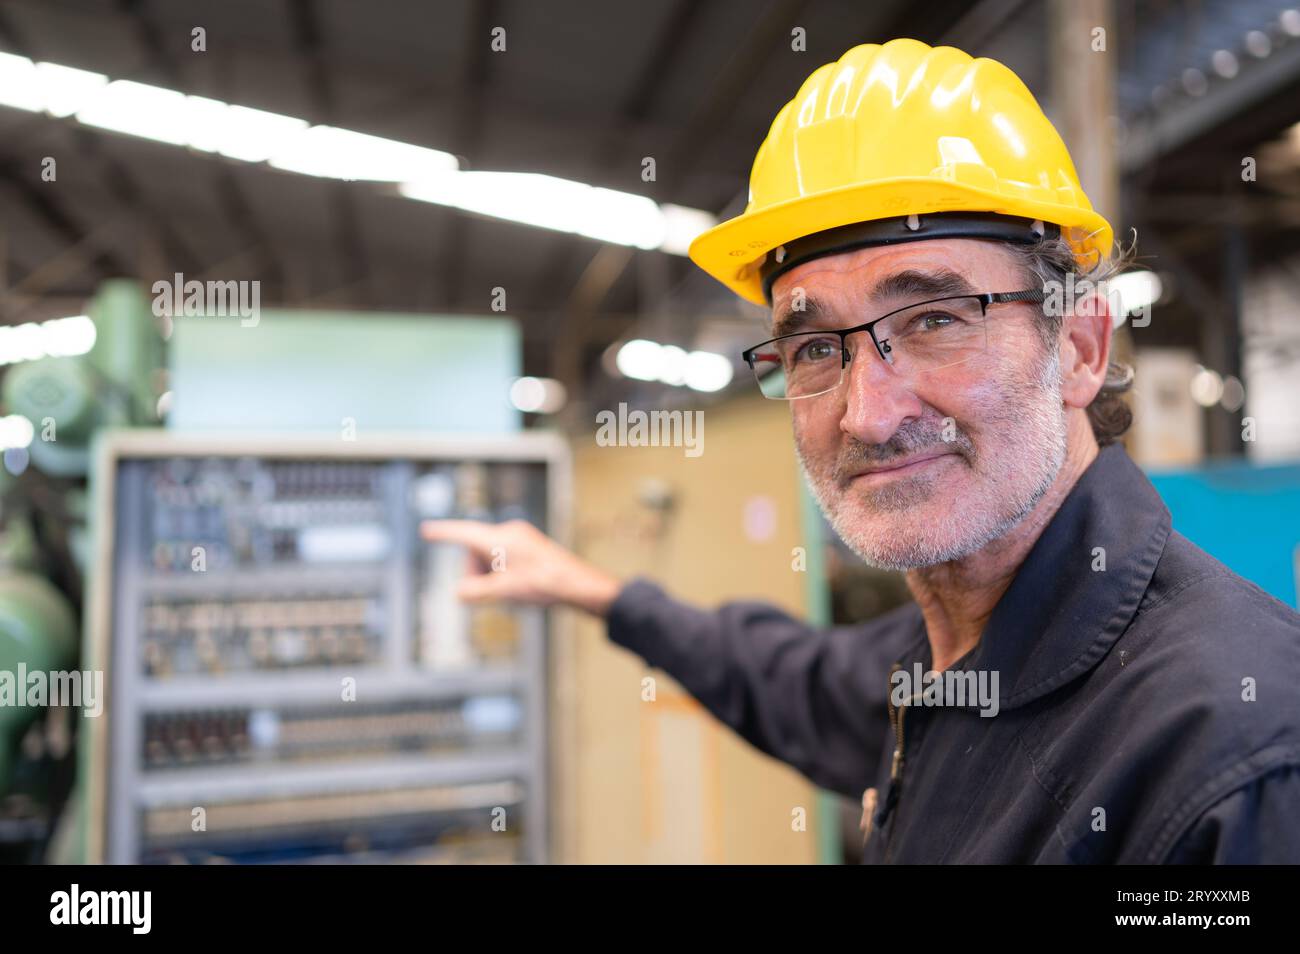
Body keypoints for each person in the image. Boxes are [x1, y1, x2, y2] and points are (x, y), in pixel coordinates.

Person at [424, 39, 1300, 863]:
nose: (867, 416)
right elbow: (782, 675)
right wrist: (588, 589)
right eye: (814, 349)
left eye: (934, 321)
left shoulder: (1234, 755)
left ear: (1076, 348)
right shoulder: (945, 658)